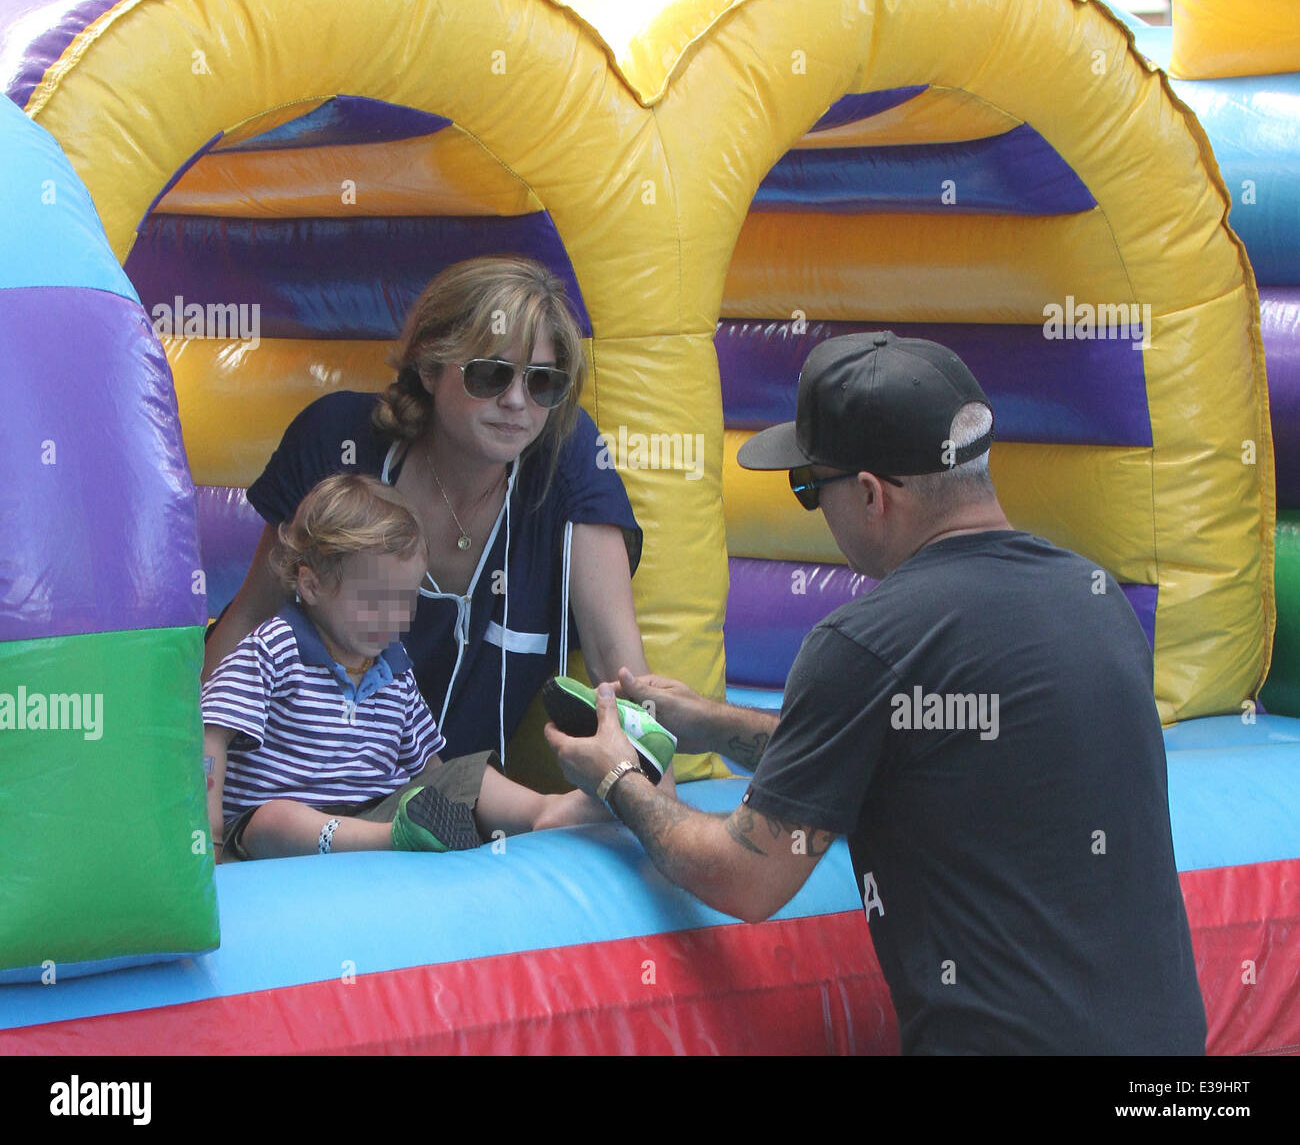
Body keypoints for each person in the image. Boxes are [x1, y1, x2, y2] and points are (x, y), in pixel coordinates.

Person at [546, 331, 1207, 1056]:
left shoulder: (867, 640)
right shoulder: (1093, 597)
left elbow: (746, 877)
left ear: (870, 493)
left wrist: (617, 777)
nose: (814, 509)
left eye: (807, 487)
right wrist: (714, 723)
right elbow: (930, 752)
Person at [203, 255, 650, 771]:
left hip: (452, 794)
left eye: (542, 382)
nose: (516, 401)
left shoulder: (565, 457)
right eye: (490, 374)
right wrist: (185, 791)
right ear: (430, 368)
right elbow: (251, 617)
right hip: (297, 779)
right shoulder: (338, 442)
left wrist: (661, 820)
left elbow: (616, 666)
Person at [203, 473, 616, 861]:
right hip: (279, 832)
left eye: (405, 600)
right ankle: (394, 840)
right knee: (277, 818)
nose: (393, 618)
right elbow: (210, 736)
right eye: (374, 601)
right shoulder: (274, 648)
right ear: (311, 586)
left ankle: (545, 810)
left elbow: (429, 769)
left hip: (374, 815)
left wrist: (451, 794)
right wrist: (210, 834)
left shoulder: (394, 671)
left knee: (467, 772)